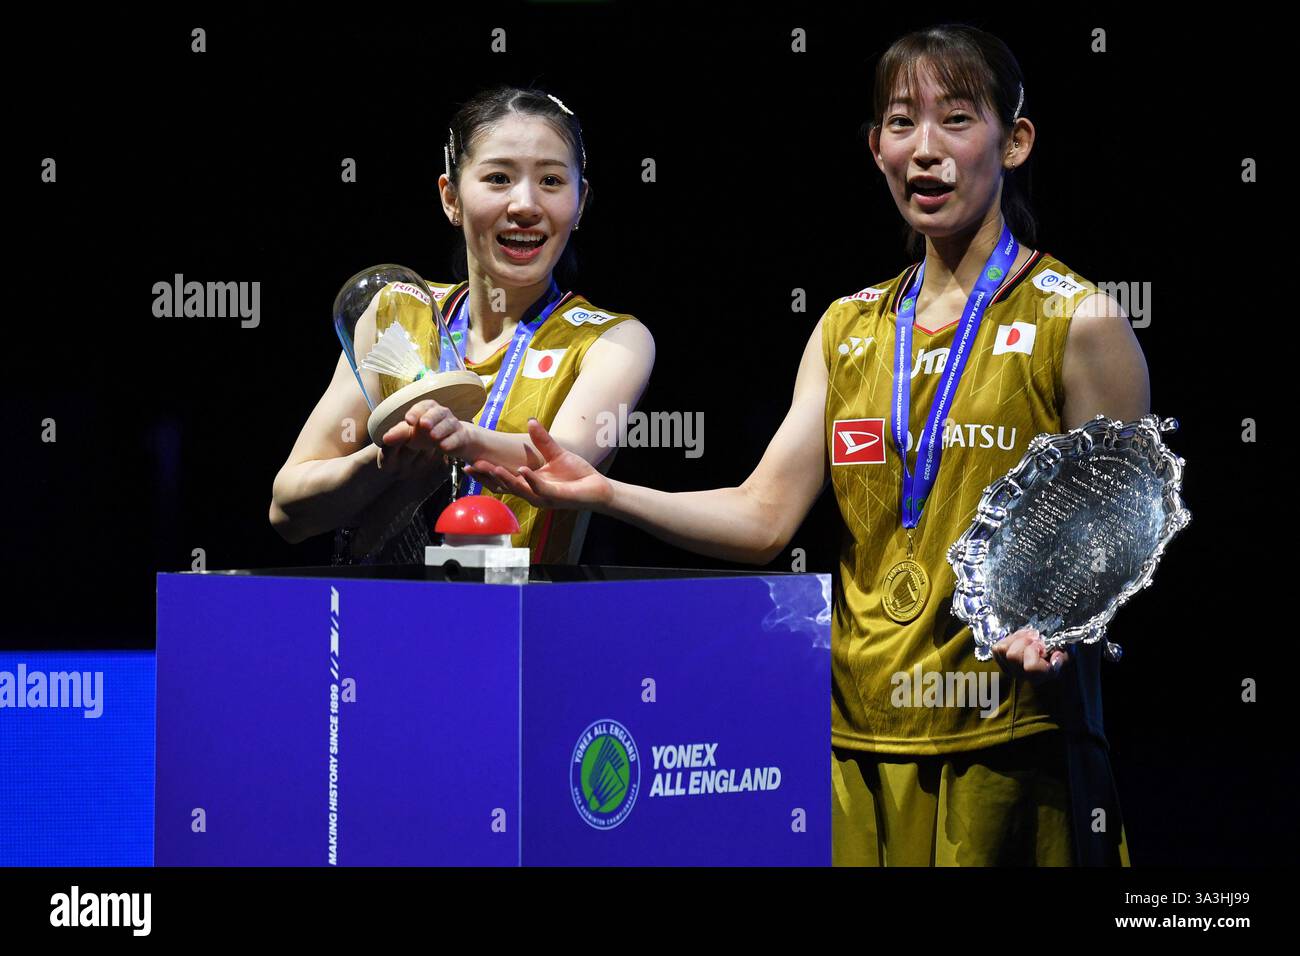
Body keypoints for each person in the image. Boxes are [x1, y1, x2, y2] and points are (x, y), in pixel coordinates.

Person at [467, 25, 1147, 866]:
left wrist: (1067, 621)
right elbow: (762, 517)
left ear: (1015, 141)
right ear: (876, 148)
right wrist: (604, 493)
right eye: (901, 124)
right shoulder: (847, 329)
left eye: (957, 120)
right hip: (855, 744)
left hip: (1012, 749)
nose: (925, 151)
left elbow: (1124, 530)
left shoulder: (1080, 320)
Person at [269, 87, 655, 565]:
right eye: (498, 178)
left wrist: (460, 438)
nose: (525, 204)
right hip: (383, 624)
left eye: (552, 181)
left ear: (580, 203)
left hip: (521, 627)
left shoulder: (611, 341)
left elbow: (564, 461)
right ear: (451, 198)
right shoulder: (397, 315)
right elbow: (287, 510)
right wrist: (385, 461)